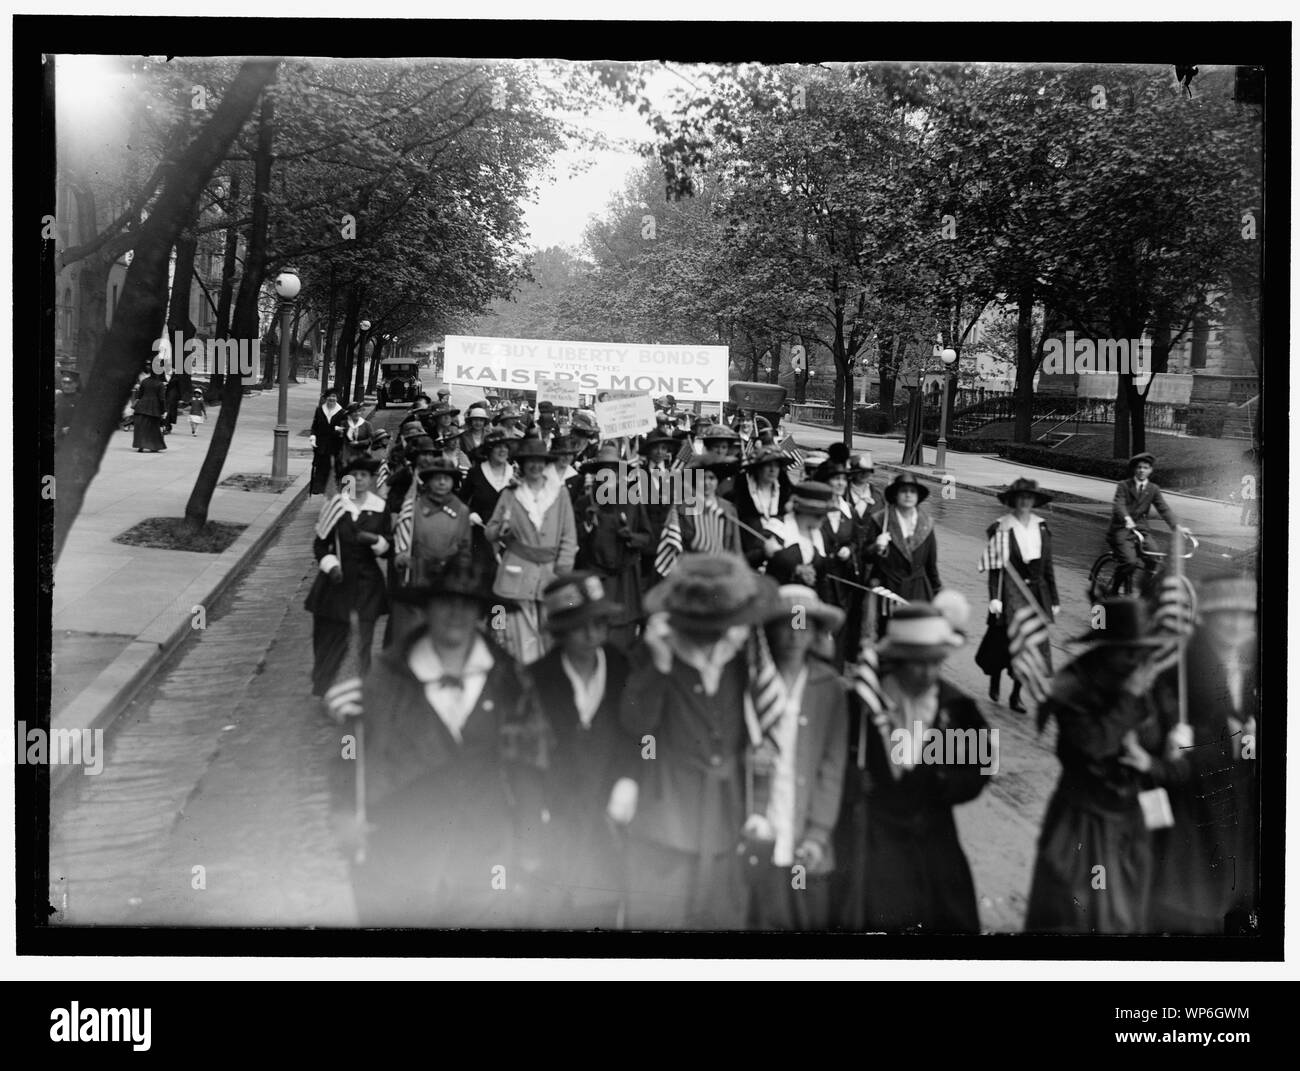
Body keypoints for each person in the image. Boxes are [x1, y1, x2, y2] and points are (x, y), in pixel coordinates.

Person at [338, 558, 551, 927]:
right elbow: (349, 752)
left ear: (480, 614)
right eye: (444, 602)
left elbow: (528, 766)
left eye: (466, 604)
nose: (455, 612)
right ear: (426, 608)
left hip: (484, 852)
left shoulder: (507, 680)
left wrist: (530, 848)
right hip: (403, 851)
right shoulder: (388, 677)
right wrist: (343, 815)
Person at [616, 554, 780, 929]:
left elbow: (761, 738)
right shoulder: (656, 652)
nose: (712, 635)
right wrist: (658, 666)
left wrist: (759, 806)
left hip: (727, 819)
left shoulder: (743, 659)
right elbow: (637, 726)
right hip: (665, 820)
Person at [1024, 598, 1183, 934]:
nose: (1137, 660)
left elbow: (1167, 759)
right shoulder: (1075, 689)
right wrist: (1129, 697)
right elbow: (1093, 745)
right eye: (1128, 651)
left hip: (1134, 824)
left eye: (1143, 651)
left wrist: (1164, 754)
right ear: (1105, 649)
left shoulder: (1152, 685)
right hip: (1082, 825)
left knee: (1128, 919)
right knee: (1076, 918)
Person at [851, 604, 991, 932]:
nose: (928, 673)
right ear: (897, 659)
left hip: (933, 841)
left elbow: (978, 771)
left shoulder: (955, 709)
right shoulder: (864, 704)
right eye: (917, 664)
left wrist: (945, 780)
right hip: (875, 838)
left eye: (935, 663)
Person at [1148, 574, 1258, 934]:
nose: (1236, 623)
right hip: (1191, 804)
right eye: (1225, 614)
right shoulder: (1179, 670)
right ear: (1206, 617)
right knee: (1190, 901)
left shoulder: (1256, 662)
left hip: (1238, 800)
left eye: (1246, 615)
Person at [527, 572, 634, 928]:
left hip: (610, 825)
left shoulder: (623, 671)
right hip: (554, 828)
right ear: (559, 631)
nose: (593, 636)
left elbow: (640, 740)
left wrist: (628, 784)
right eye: (580, 627)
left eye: (600, 624)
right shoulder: (535, 680)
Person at [743, 585, 848, 930]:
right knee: (761, 911)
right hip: (760, 816)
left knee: (802, 908)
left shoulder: (829, 687)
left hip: (803, 823)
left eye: (803, 625)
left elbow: (832, 766)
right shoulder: (754, 680)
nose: (793, 635)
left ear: (816, 632)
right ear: (769, 629)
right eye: (785, 624)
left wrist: (818, 831)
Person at [483, 438, 578, 665]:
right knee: (506, 625)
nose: (534, 466)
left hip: (550, 572)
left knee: (552, 634)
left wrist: (563, 568)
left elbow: (569, 535)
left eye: (539, 461)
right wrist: (500, 530)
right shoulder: (510, 493)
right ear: (522, 465)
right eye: (529, 462)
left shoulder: (559, 493)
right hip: (515, 569)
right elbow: (490, 532)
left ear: (545, 464)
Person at [304, 457, 391, 701]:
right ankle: (328, 687)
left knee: (361, 639)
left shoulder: (379, 507)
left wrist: (375, 541)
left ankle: (357, 691)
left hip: (367, 585)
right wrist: (331, 566)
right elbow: (320, 545)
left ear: (371, 479)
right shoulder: (336, 506)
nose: (360, 479)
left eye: (365, 475)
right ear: (347, 480)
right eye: (355, 475)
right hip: (336, 585)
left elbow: (388, 547)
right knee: (331, 637)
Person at [977, 478, 1061, 712]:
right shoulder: (1002, 527)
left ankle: (1016, 695)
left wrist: (1053, 599)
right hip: (1009, 592)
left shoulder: (1042, 527)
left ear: (1034, 501)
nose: (1025, 501)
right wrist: (994, 596)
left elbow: (1048, 566)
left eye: (1029, 497)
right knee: (1003, 643)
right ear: (1013, 500)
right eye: (1021, 497)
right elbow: (995, 567)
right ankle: (995, 676)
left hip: (1036, 594)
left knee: (1029, 647)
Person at [574, 444, 653, 651]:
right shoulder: (584, 502)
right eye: (603, 470)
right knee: (598, 632)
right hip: (596, 578)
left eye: (613, 470)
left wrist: (631, 537)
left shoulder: (633, 500)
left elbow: (647, 537)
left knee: (623, 636)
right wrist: (588, 524)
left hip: (625, 580)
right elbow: (572, 538)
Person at [388, 457, 473, 646]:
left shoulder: (462, 511)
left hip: (450, 579)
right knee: (417, 630)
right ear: (428, 482)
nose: (442, 482)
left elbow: (465, 546)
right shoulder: (414, 509)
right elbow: (404, 541)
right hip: (420, 574)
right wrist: (402, 557)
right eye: (437, 478)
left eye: (447, 478)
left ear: (453, 482)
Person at [861, 473, 942, 636]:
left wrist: (937, 593)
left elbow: (931, 565)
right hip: (887, 589)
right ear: (895, 495)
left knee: (915, 639)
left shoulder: (926, 524)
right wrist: (876, 546)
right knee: (887, 637)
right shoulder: (880, 520)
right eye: (903, 491)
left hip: (918, 592)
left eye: (912, 491)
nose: (908, 495)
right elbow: (865, 555)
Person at [1107, 451, 1193, 595]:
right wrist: (1126, 518)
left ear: (1150, 470)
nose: (1142, 470)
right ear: (1135, 469)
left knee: (1154, 559)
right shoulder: (1123, 486)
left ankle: (1143, 594)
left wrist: (1178, 527)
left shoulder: (1153, 489)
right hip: (1121, 530)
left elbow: (1163, 509)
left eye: (1145, 467)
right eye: (1139, 467)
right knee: (1130, 562)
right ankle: (1113, 592)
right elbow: (1119, 505)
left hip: (1141, 531)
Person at [815, 448, 865, 660]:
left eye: (843, 480)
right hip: (817, 580)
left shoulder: (849, 511)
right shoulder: (814, 507)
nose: (840, 483)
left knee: (838, 631)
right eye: (835, 479)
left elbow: (857, 540)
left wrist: (850, 550)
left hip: (841, 583)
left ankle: (835, 674)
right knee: (805, 626)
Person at [730, 444, 796, 569]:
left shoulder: (787, 495)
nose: (772, 470)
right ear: (758, 468)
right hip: (747, 564)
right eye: (768, 465)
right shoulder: (739, 496)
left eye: (776, 465)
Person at [765, 481, 834, 599]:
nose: (824, 518)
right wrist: (778, 556)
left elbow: (822, 581)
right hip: (776, 603)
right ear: (805, 512)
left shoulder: (821, 535)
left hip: (805, 607)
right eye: (819, 515)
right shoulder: (776, 529)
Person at [678, 453, 742, 556]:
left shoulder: (729, 509)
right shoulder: (685, 508)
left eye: (711, 478)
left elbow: (735, 546)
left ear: (717, 481)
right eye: (702, 478)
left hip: (723, 565)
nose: (706, 483)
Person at [309, 387, 347, 495]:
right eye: (330, 396)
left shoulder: (342, 412)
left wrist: (337, 430)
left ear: (337, 398)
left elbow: (343, 428)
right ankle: (322, 490)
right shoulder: (319, 410)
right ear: (326, 398)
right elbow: (315, 426)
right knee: (321, 469)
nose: (332, 398)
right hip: (321, 447)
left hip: (335, 447)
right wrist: (313, 436)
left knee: (334, 470)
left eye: (334, 396)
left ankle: (334, 491)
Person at [336, 402, 376, 484]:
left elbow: (372, 439)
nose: (357, 413)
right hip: (347, 453)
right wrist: (339, 433)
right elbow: (339, 437)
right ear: (350, 413)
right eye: (354, 412)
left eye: (358, 411)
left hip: (361, 453)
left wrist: (359, 443)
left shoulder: (367, 425)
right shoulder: (345, 423)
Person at [131, 370, 169, 452]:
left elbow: (140, 395)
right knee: (153, 429)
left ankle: (141, 445)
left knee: (141, 428)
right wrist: (164, 410)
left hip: (141, 407)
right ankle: (153, 446)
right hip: (154, 409)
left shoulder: (144, 381)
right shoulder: (160, 384)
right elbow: (162, 399)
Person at [845, 453, 876, 520]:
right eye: (860, 471)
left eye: (868, 471)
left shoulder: (877, 495)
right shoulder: (843, 492)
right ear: (853, 472)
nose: (864, 474)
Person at [56, 369, 80, 437]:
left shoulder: (81, 400)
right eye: (64, 382)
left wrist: (72, 428)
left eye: (69, 383)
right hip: (57, 438)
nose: (66, 386)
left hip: (73, 438)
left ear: (76, 384)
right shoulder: (57, 397)